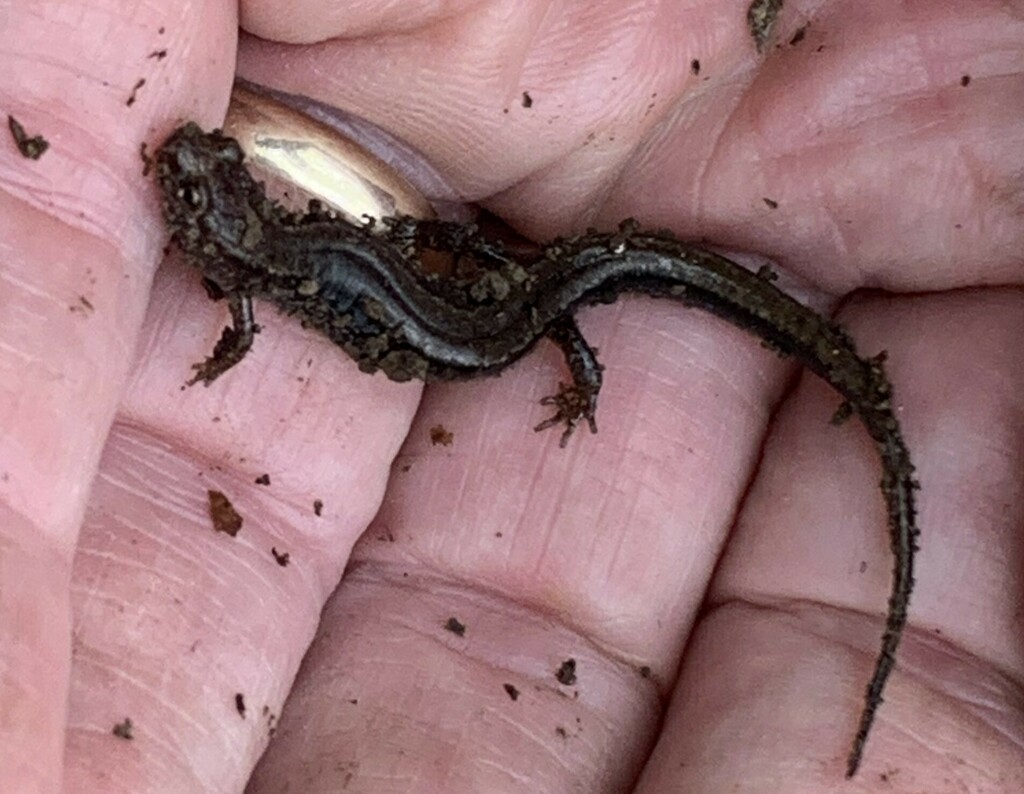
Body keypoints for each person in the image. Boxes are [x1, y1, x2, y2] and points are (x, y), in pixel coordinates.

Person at [3, 2, 1023, 791]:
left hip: (503, 318)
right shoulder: (271, 256)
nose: (189, 176)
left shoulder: (246, 280)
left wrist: (575, 377)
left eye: (200, 179)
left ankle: (727, 349)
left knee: (570, 291)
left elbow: (239, 336)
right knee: (570, 287)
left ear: (219, 234)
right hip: (506, 305)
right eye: (193, 183)